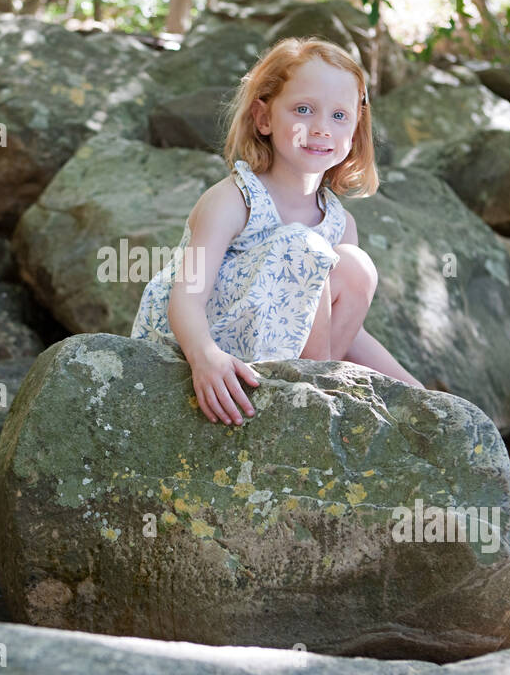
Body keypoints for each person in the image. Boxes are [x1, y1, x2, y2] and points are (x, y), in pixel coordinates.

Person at [130, 36, 426, 425]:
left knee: (356, 267)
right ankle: (307, 388)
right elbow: (186, 297)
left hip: (284, 354)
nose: (321, 128)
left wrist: (417, 392)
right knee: (305, 245)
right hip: (205, 343)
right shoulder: (235, 199)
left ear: (355, 129)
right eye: (303, 110)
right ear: (264, 118)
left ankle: (314, 387)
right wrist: (205, 356)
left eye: (339, 116)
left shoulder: (339, 222)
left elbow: (348, 333)